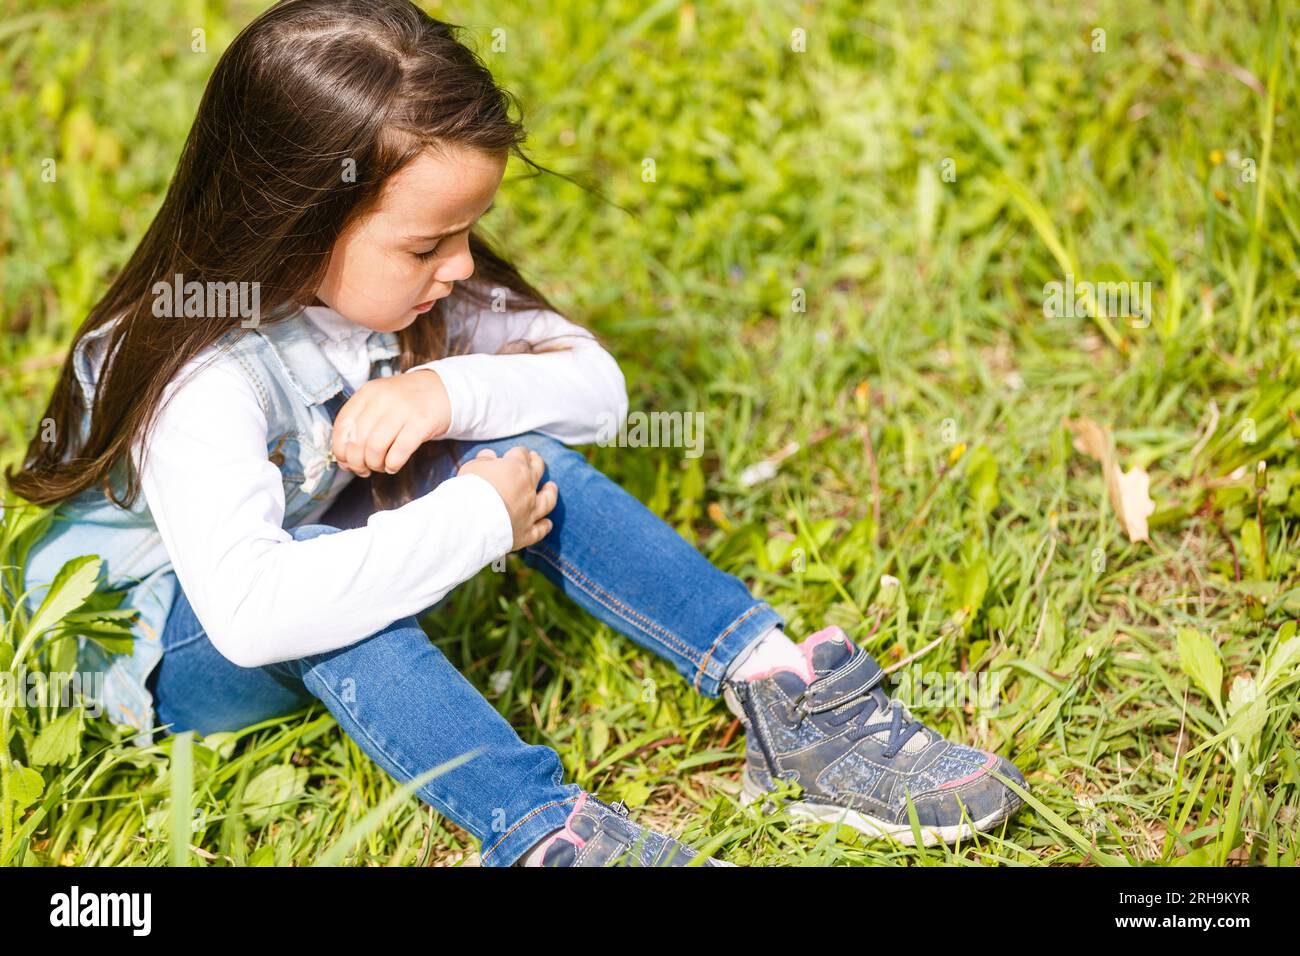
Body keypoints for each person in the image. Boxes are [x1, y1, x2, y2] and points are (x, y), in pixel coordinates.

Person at [6, 0, 1026, 867]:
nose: (459, 266)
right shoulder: (202, 374)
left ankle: (777, 688)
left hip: (288, 566)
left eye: (466, 231)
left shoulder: (406, 287)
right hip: (163, 649)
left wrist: (444, 392)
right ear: (296, 222)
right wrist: (476, 523)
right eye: (427, 245)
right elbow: (253, 615)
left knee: (514, 450)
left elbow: (598, 392)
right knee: (335, 593)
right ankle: (541, 831)